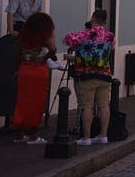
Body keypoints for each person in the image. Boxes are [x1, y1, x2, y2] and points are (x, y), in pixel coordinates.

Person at [63, 9, 115, 146]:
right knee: (104, 106)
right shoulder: (110, 36)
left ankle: (86, 137)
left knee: (87, 107)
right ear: (104, 21)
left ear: (92, 19)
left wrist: (77, 47)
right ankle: (103, 135)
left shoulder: (84, 34)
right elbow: (111, 49)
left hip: (87, 75)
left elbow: (67, 39)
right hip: (104, 75)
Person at [11, 11, 60, 144]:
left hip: (24, 68)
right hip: (38, 70)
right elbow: (53, 48)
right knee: (37, 101)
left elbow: (17, 52)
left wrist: (16, 69)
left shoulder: (24, 35)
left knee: (22, 101)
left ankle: (19, 133)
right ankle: (33, 134)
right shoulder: (44, 34)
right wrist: (44, 58)